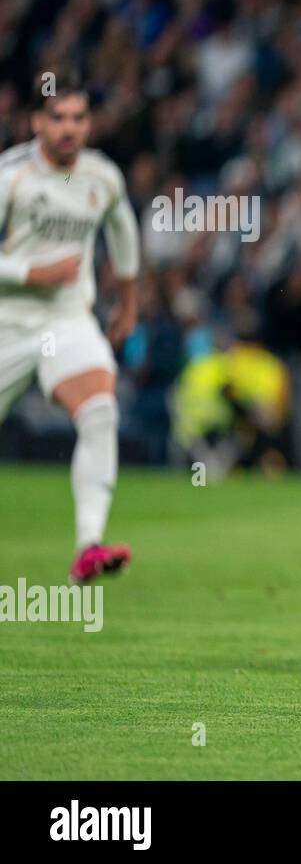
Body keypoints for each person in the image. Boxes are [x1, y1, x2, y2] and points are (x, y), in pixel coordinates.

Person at [0, 73, 139, 582]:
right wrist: (29, 273)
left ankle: (89, 545)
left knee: (100, 412)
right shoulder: (10, 176)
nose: (68, 129)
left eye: (79, 118)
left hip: (66, 319)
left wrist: (128, 300)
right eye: (57, 118)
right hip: (6, 322)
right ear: (36, 121)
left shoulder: (101, 177)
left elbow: (123, 230)